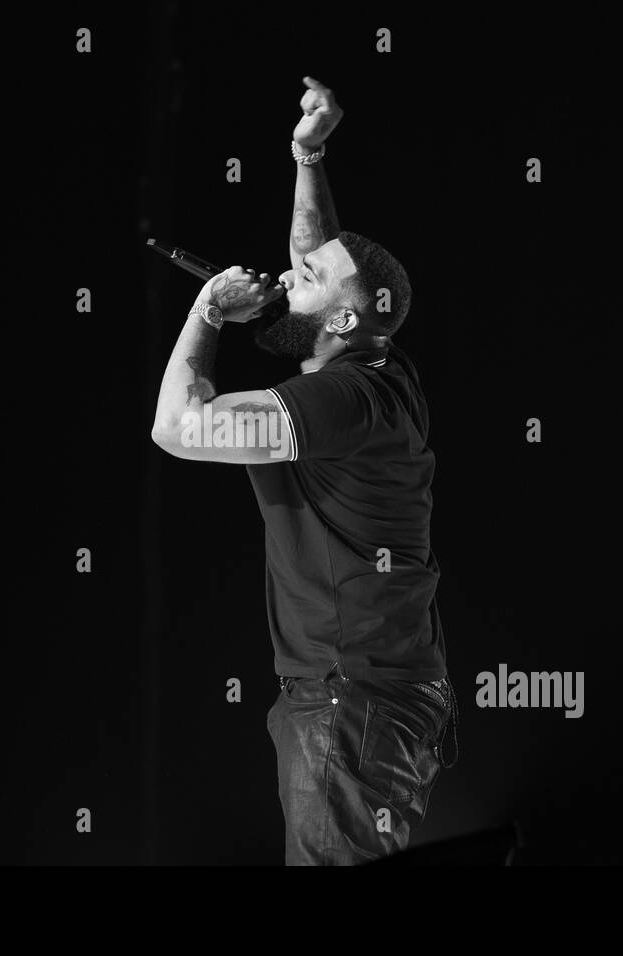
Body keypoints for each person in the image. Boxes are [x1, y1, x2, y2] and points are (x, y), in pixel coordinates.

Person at [150, 76, 457, 865]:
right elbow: (319, 256)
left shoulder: (339, 400)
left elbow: (178, 428)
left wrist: (208, 311)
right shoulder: (374, 361)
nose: (287, 277)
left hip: (352, 702)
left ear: (342, 320)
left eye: (305, 282)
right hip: (369, 696)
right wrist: (307, 153)